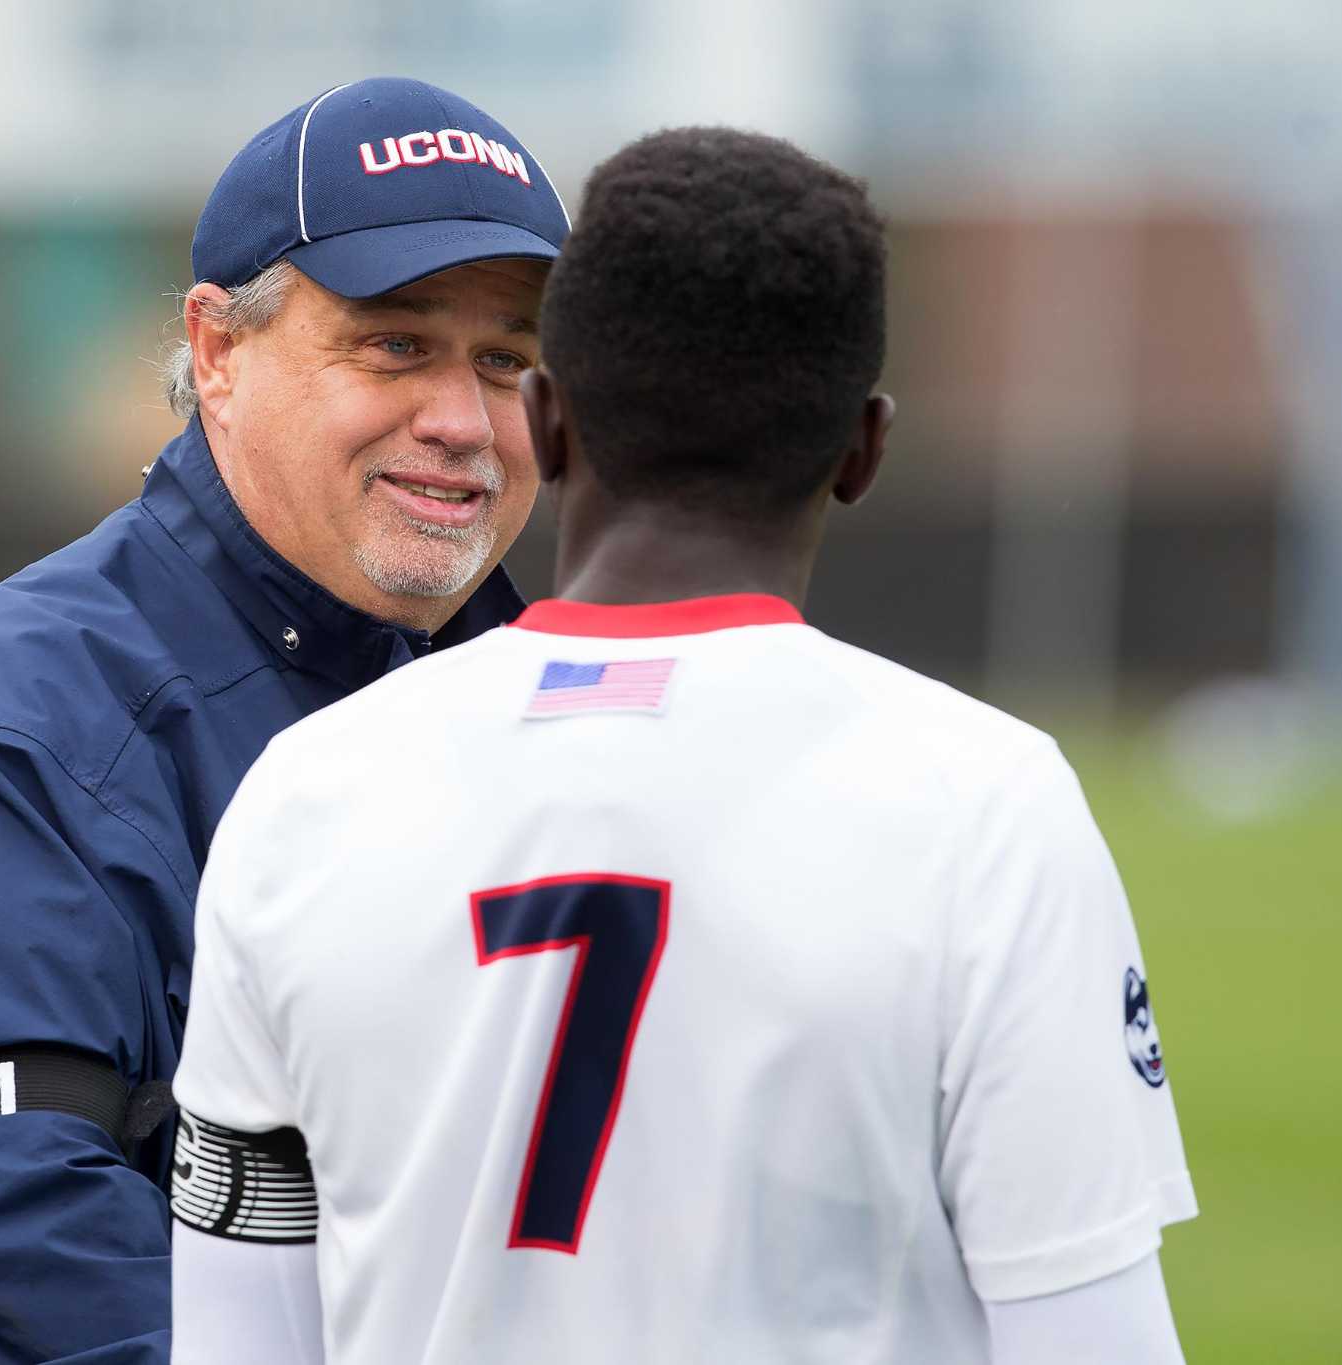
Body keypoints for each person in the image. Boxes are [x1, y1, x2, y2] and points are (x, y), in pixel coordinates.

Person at [170, 127, 1198, 1364]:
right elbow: (1088, 1334)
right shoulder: (981, 799)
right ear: (864, 449)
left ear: (546, 423)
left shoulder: (302, 793)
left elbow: (236, 1337)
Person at [0, 77, 569, 1364]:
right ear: (217, 353)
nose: (462, 420)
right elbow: (19, 1220)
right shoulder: (17, 722)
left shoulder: (536, 707)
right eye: (394, 344)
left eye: (506, 360)